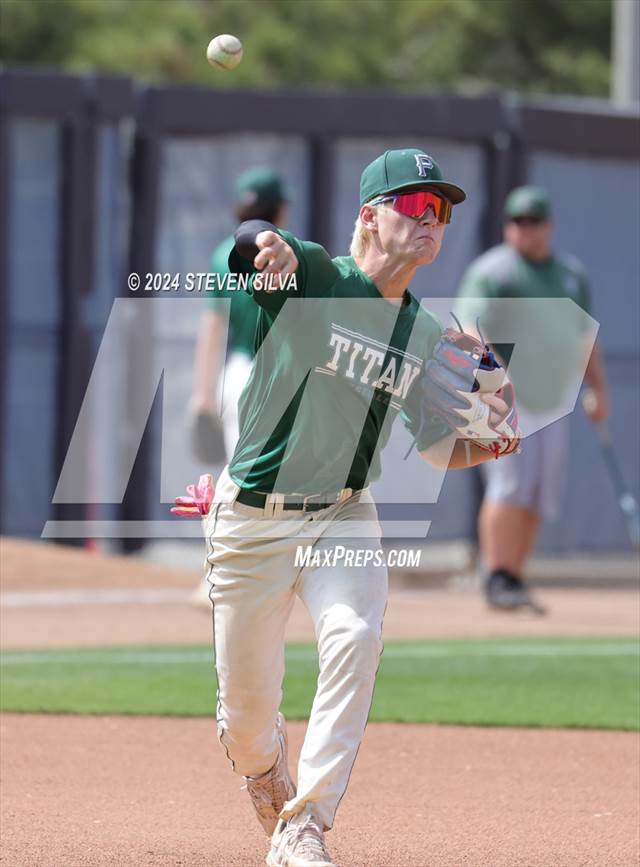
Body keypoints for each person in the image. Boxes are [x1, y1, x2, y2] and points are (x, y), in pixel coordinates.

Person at [203, 148, 519, 867]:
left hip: (342, 511)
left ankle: (304, 822)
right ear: (368, 218)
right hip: (253, 516)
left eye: (439, 208)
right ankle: (265, 772)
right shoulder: (316, 273)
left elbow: (441, 449)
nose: (430, 219)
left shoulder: (423, 334)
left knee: (354, 635)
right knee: (249, 726)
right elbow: (249, 244)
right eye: (413, 204)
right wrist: (264, 244)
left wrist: (494, 444)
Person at [456, 185, 609, 613]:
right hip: (505, 400)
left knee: (541, 491)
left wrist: (597, 387)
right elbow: (471, 323)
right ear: (509, 226)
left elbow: (586, 336)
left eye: (534, 222)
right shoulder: (494, 271)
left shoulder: (570, 274)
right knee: (509, 486)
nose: (526, 230)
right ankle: (495, 574)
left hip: (553, 398)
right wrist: (495, 376)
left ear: (549, 226)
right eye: (518, 222)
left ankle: (515, 576)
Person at [190, 167, 288, 605]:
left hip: (239, 371)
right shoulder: (291, 252)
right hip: (282, 372)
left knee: (238, 476)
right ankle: (259, 571)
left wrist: (202, 393)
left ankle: (218, 570)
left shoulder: (221, 254)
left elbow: (213, 327)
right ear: (281, 209)